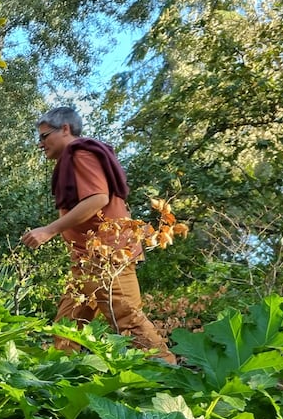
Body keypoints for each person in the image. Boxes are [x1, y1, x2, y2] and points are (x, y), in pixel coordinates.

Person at [20, 107, 177, 364]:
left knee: (127, 320)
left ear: (66, 130)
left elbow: (97, 198)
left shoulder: (80, 153)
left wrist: (49, 230)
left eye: (44, 136)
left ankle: (171, 377)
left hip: (107, 257)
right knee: (67, 327)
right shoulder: (72, 159)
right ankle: (53, 384)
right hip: (88, 261)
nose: (40, 144)